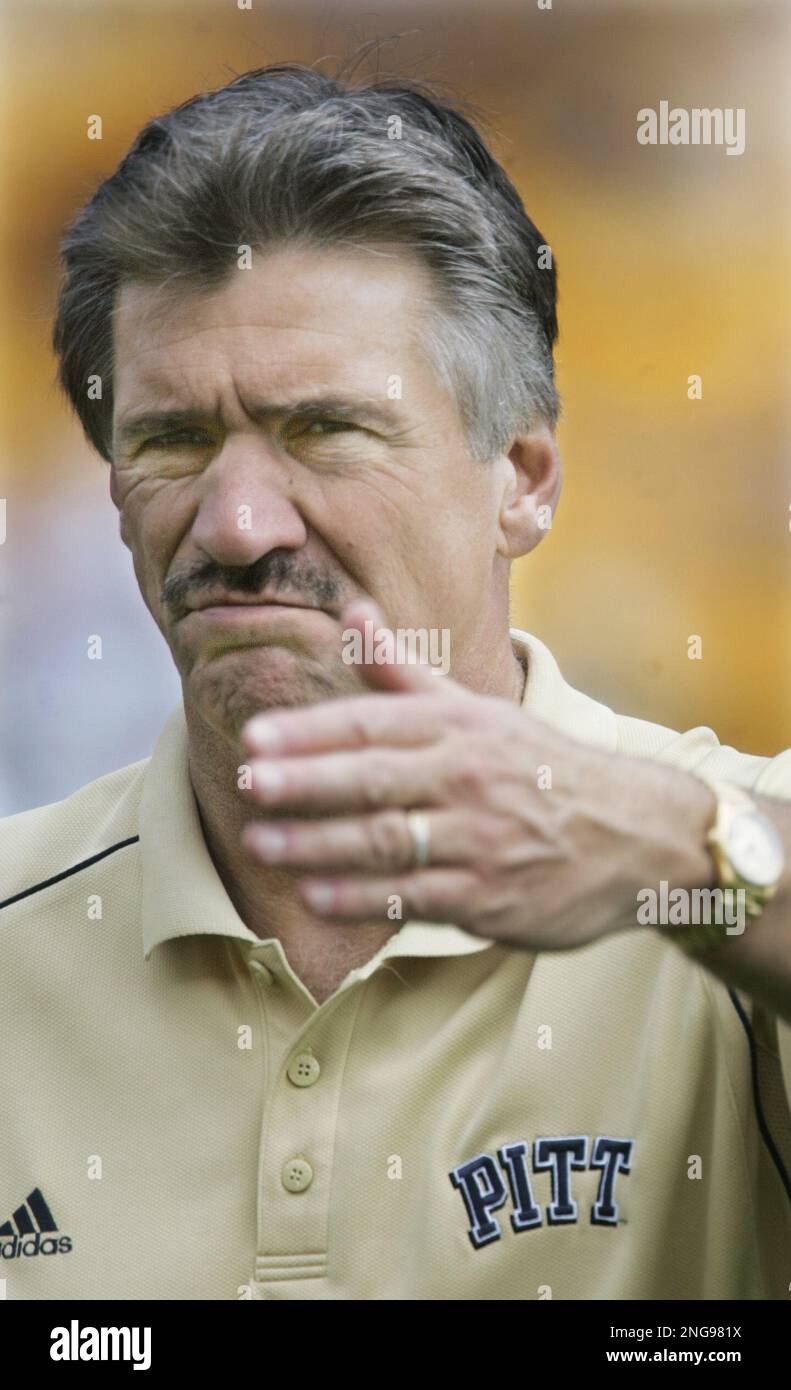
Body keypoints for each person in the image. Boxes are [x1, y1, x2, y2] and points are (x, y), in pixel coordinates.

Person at [1, 64, 789, 1301]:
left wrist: (683, 861)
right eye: (172, 440)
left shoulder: (711, 897)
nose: (237, 523)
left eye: (325, 429)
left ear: (520, 478)